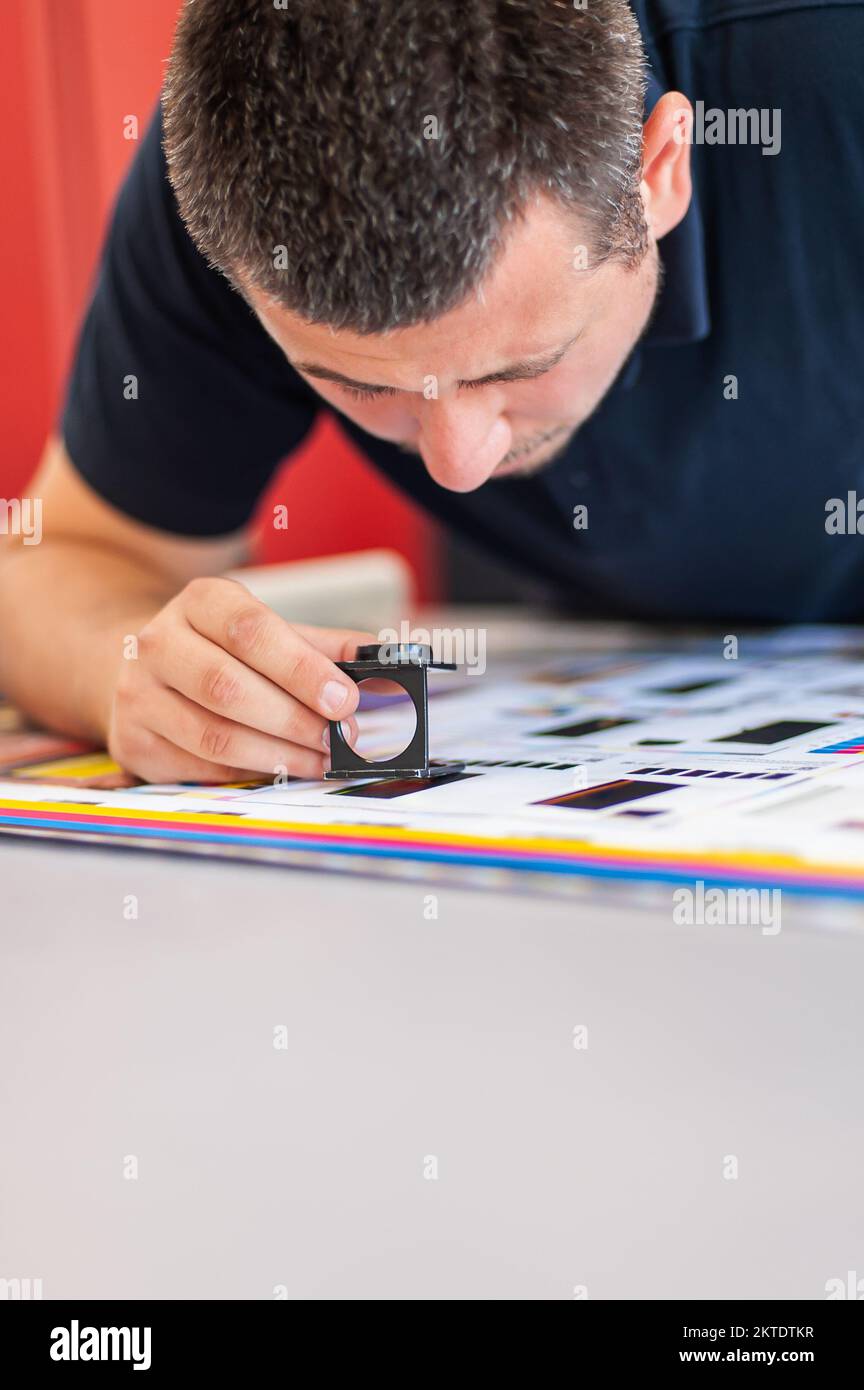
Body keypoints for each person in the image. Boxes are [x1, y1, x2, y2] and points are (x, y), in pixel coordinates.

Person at [1, 0, 861, 783]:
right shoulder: (233, 169)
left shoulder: (831, 67)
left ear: (661, 168)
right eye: (356, 386)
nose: (459, 466)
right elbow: (60, 563)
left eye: (517, 369)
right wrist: (126, 671)